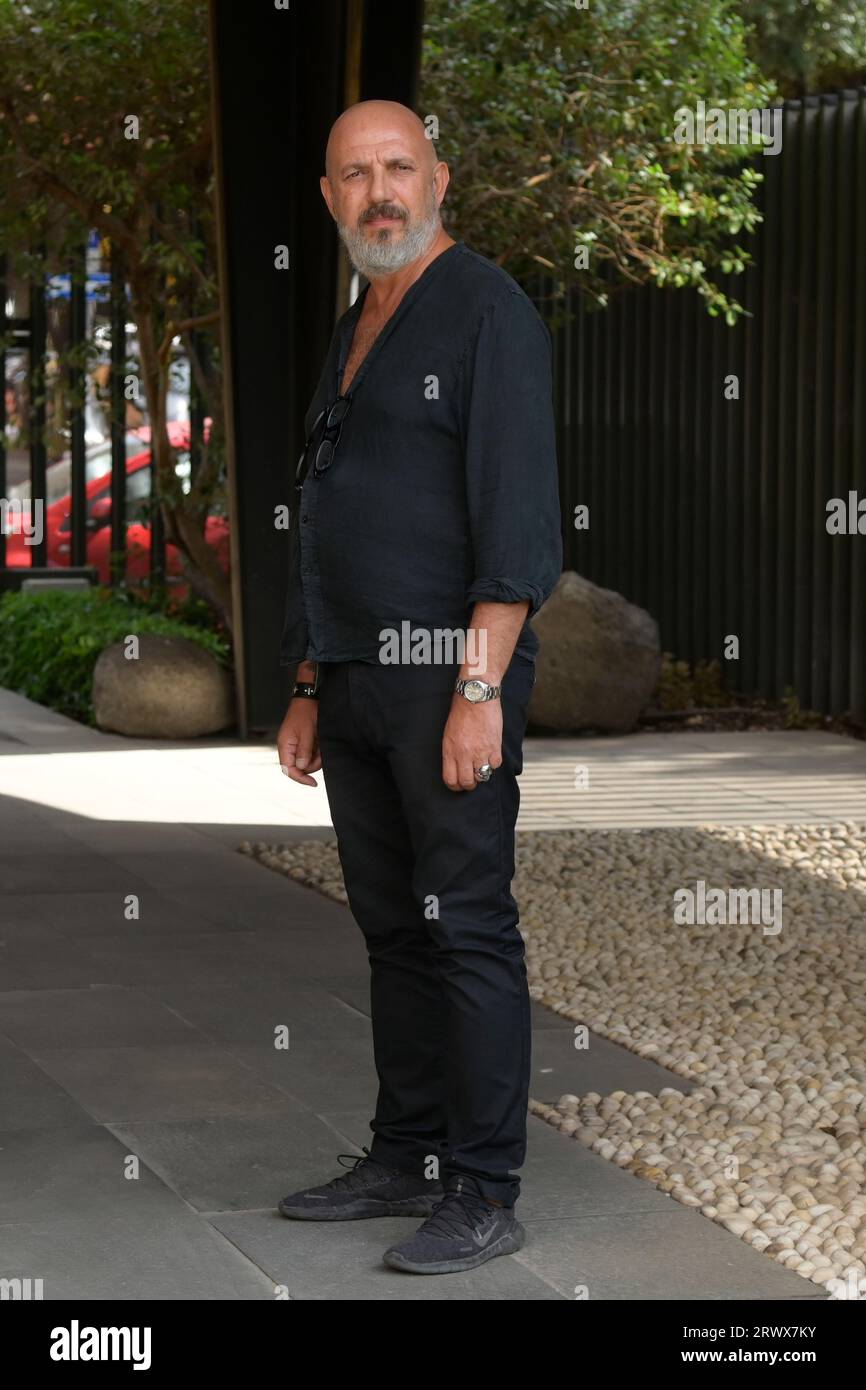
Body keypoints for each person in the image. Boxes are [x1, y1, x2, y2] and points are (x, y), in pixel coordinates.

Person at [276, 99, 562, 1275]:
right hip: (351, 682)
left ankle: (485, 1187)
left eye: (398, 168)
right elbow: (330, 513)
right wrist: (305, 679)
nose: (379, 190)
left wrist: (478, 686)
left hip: (448, 679)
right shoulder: (357, 322)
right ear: (330, 196)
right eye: (355, 174)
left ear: (438, 179)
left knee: (469, 929)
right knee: (395, 931)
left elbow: (517, 517)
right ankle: (406, 1153)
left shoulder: (484, 309)